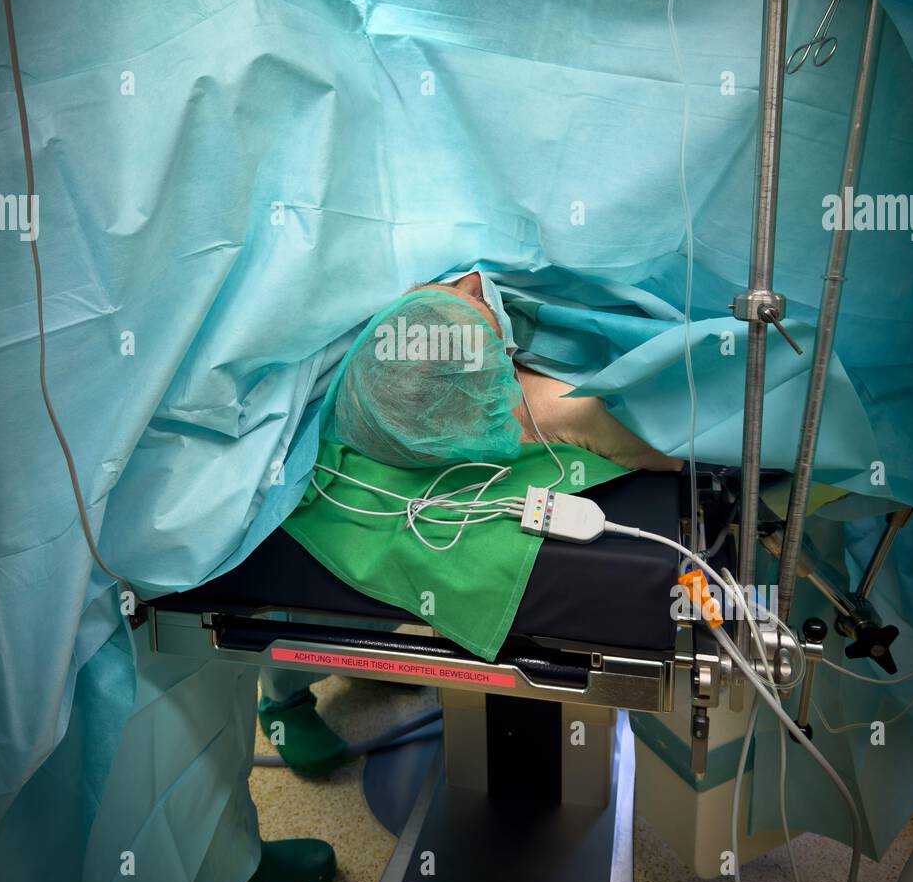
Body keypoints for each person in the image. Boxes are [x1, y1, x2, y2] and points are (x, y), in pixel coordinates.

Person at [258, 271, 681, 773]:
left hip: (492, 352)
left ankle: (367, 653)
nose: (478, 290)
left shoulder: (501, 305)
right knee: (352, 561)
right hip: (351, 393)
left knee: (390, 575)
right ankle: (282, 701)